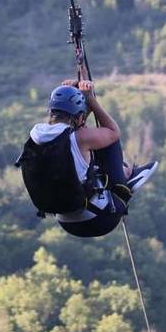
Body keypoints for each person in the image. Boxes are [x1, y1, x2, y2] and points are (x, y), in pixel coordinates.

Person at [19, 79, 157, 237]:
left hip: (66, 223)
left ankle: (123, 173)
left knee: (84, 158)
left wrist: (76, 98)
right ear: (79, 117)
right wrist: (91, 99)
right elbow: (112, 132)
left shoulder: (36, 137)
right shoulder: (82, 137)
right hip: (101, 220)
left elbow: (75, 138)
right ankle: (125, 181)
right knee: (108, 142)